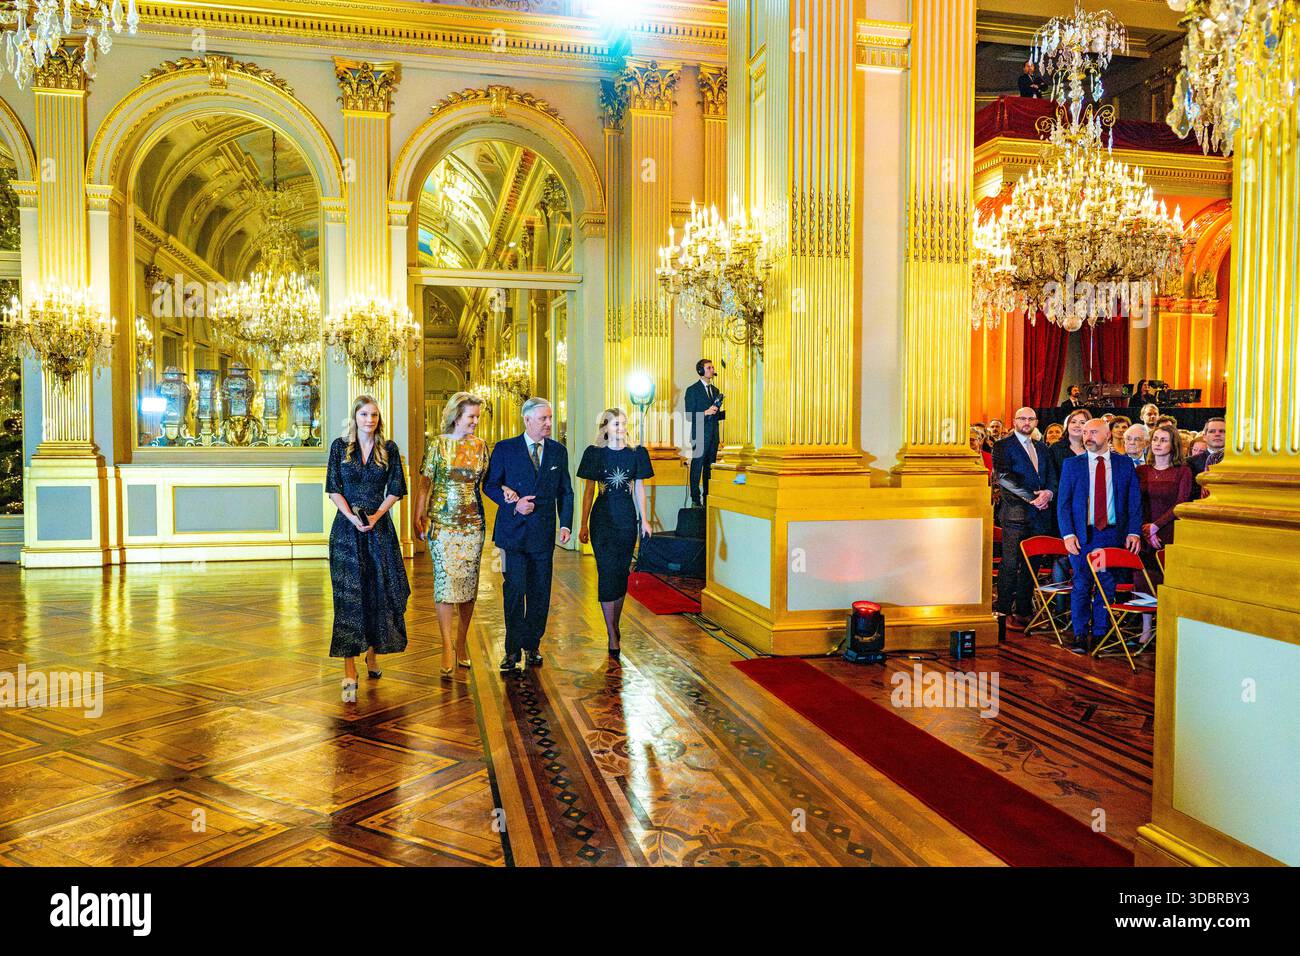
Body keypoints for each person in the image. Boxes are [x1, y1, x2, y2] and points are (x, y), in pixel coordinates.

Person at [326, 395, 411, 703]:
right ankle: (349, 671)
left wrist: (375, 516)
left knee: (379, 592)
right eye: (364, 414)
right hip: (346, 532)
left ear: (379, 418)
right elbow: (333, 488)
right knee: (348, 597)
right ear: (355, 417)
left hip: (379, 530)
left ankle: (373, 656)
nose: (369, 419)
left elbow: (397, 488)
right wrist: (352, 517)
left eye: (374, 414)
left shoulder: (388, 449)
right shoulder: (339, 447)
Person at [483, 396, 574, 674]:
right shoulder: (505, 448)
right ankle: (511, 649)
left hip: (543, 534)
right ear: (527, 420)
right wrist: (512, 501)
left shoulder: (558, 452)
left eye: (549, 418)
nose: (549, 423)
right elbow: (490, 485)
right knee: (514, 590)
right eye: (543, 419)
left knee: (539, 591)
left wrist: (566, 524)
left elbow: (566, 492)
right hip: (512, 534)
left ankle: (532, 644)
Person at [415, 392, 489, 680]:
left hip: (473, 525)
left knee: (468, 587)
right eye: (471, 416)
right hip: (441, 524)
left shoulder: (482, 446)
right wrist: (417, 517)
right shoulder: (438, 445)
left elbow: (489, 484)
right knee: (445, 584)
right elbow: (424, 484)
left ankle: (461, 641)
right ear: (456, 416)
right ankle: (446, 645)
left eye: (477, 417)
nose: (475, 421)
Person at [1056, 418, 1142, 653]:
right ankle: (1080, 634)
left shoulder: (1124, 464)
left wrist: (1134, 531)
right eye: (1084, 432)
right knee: (1082, 584)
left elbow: (1133, 501)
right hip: (1083, 536)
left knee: (1106, 584)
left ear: (1107, 435)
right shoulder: (1072, 465)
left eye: (1093, 432)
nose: (1087, 436)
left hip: (1110, 535)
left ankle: (1102, 633)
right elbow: (1062, 504)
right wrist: (1068, 534)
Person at [577, 408, 654, 658]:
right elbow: (589, 491)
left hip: (625, 520)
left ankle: (614, 625)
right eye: (615, 424)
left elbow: (640, 488)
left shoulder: (636, 454)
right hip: (602, 521)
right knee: (606, 572)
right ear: (605, 428)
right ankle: (611, 633)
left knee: (621, 575)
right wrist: (583, 523)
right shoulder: (595, 454)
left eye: (623, 423)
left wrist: (645, 520)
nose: (621, 428)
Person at [992, 407, 1056, 630]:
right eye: (1022, 418)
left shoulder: (1042, 447)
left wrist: (1049, 493)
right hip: (1016, 514)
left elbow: (1051, 476)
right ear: (1015, 421)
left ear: (1037, 421)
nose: (1027, 422)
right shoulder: (1003, 446)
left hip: (1040, 514)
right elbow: (1003, 477)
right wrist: (1032, 498)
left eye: (1031, 419)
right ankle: (1003, 610)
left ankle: (1023, 610)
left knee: (1032, 565)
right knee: (1011, 564)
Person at [1138, 422, 1195, 581]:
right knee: (1144, 583)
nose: (1157, 443)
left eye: (1163, 440)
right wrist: (1146, 529)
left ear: (1173, 444)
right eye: (1155, 439)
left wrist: (1155, 526)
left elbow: (1181, 503)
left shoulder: (1183, 471)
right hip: (1144, 534)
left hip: (1169, 533)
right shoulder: (1141, 470)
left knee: (1168, 580)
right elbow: (1135, 504)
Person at [684, 358, 725, 507]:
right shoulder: (692, 390)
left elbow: (715, 415)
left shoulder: (715, 391)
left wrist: (721, 413)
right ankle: (696, 499)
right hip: (700, 435)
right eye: (709, 368)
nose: (712, 370)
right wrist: (706, 412)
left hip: (713, 435)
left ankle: (708, 497)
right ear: (701, 371)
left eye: (712, 367)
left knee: (710, 467)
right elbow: (689, 415)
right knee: (697, 466)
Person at [1188, 416, 1226, 495]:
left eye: (1222, 431)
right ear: (1204, 437)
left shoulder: (1238, 462)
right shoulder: (1189, 462)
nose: (1217, 434)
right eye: (1212, 431)